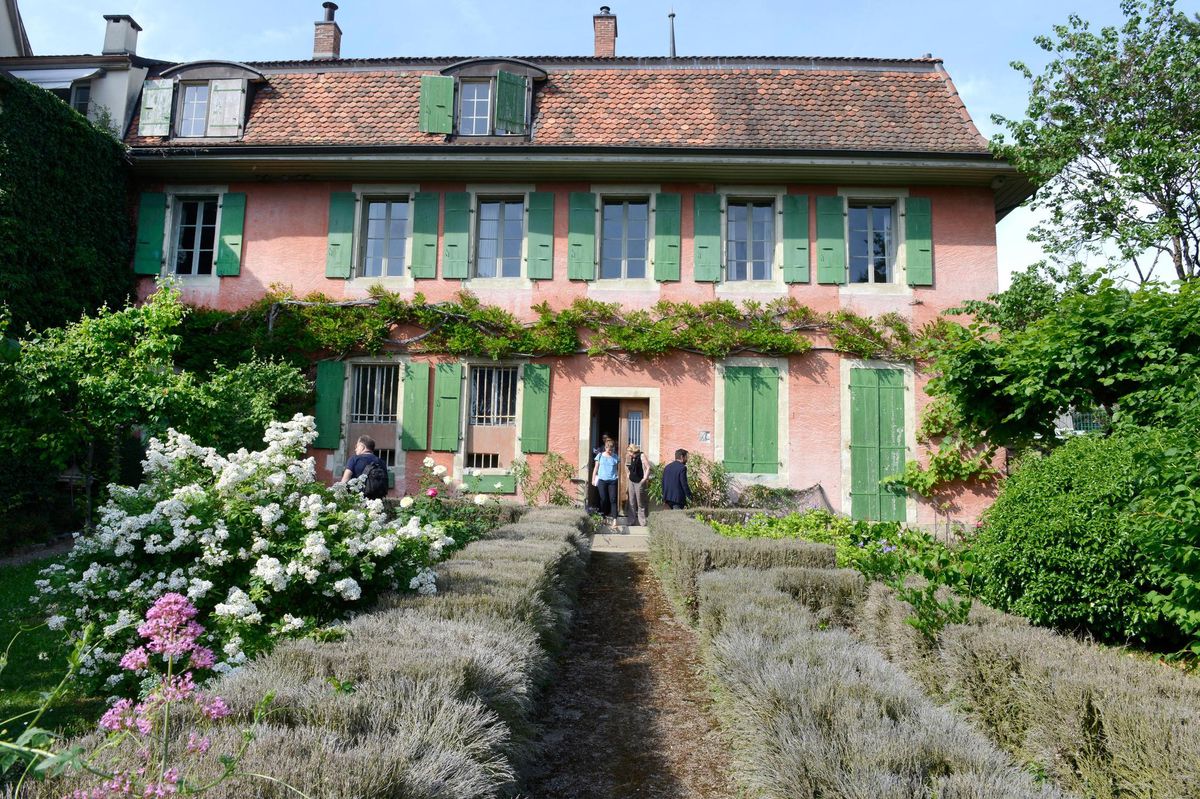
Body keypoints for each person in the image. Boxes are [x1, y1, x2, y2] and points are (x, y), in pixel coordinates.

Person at [591, 437, 620, 525]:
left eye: (612, 450)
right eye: (608, 450)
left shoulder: (616, 457)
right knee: (603, 499)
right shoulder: (599, 456)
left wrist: (618, 475)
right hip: (602, 480)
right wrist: (593, 479)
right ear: (605, 447)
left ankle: (614, 519)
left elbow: (618, 468)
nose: (610, 452)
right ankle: (603, 517)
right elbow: (596, 468)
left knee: (613, 499)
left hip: (612, 481)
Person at [626, 443, 651, 526]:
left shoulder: (641, 455)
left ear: (632, 451)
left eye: (628, 452)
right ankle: (631, 521)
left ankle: (642, 522)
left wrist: (644, 478)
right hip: (631, 481)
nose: (628, 454)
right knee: (631, 502)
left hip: (639, 482)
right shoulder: (632, 458)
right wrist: (628, 474)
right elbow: (629, 467)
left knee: (640, 502)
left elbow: (648, 467)